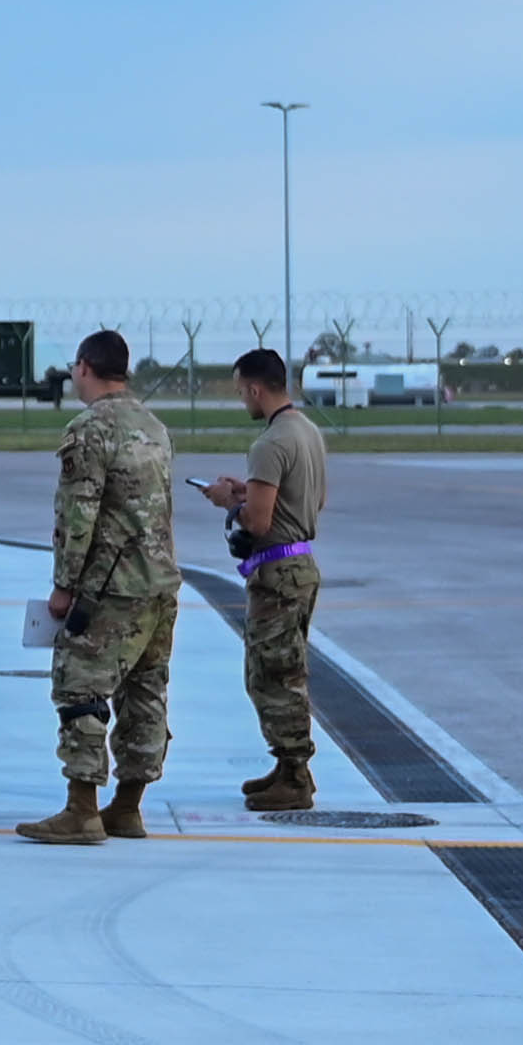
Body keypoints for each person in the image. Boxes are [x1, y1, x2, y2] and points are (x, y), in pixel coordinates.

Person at [24, 327, 182, 847]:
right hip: (158, 582)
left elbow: (78, 514)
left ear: (85, 367)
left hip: (109, 588)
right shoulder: (154, 426)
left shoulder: (89, 430)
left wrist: (64, 586)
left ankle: (82, 808)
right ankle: (129, 806)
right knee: (146, 692)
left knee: (80, 686)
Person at [197, 347, 329, 814]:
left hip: (277, 572)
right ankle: (286, 763)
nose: (242, 401)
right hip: (300, 564)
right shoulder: (307, 432)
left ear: (256, 388)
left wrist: (227, 502)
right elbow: (311, 501)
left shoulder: (269, 444)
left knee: (274, 674)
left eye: (241, 392)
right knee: (279, 668)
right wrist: (248, 490)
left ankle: (295, 774)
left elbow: (256, 522)